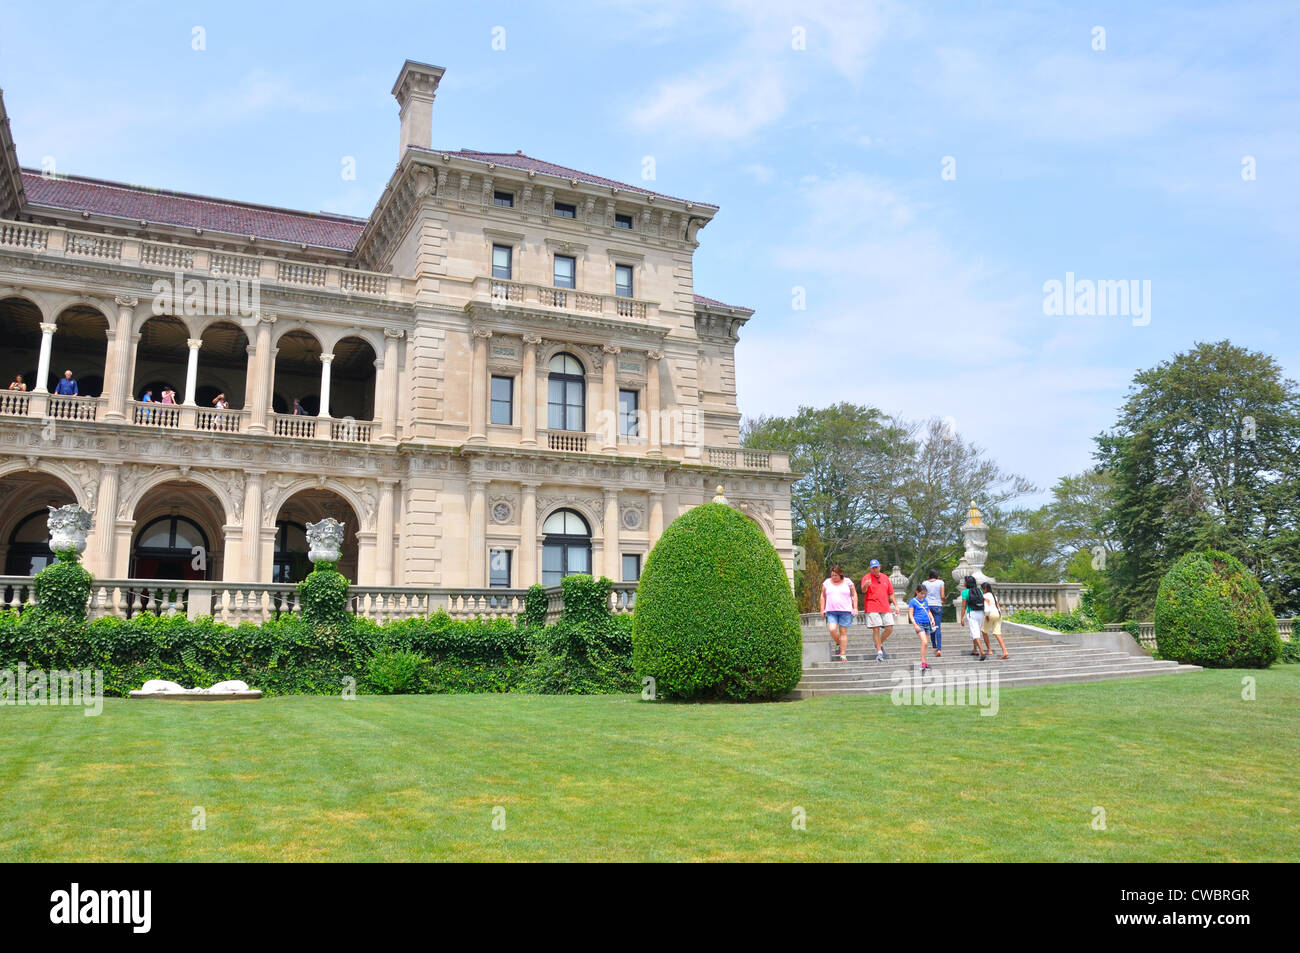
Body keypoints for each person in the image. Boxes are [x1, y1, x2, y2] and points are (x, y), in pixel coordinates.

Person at [861, 559, 897, 662]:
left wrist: (896, 605)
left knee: (889, 628)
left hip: (885, 606)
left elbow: (891, 593)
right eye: (873, 568)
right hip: (872, 605)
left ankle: (878, 643)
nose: (875, 569)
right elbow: (863, 590)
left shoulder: (885, 577)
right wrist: (866, 585)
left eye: (876, 567)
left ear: (879, 567)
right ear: (870, 568)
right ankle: (879, 651)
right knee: (876, 628)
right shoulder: (866, 577)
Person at [819, 565, 857, 663]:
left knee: (843, 632)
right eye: (832, 575)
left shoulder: (848, 582)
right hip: (831, 611)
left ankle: (843, 654)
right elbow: (822, 596)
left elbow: (854, 594)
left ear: (840, 575)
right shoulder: (827, 582)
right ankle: (838, 643)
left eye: (835, 575)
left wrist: (855, 607)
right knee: (832, 629)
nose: (833, 577)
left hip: (845, 611)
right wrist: (822, 609)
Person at [957, 574, 987, 660]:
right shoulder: (979, 591)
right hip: (980, 613)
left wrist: (961, 618)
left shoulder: (965, 592)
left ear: (967, 583)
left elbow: (963, 606)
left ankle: (982, 651)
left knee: (975, 633)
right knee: (976, 631)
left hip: (972, 613)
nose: (964, 582)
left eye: (965, 581)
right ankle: (975, 649)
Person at [907, 584, 935, 672]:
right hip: (919, 623)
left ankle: (924, 662)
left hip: (927, 623)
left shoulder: (925, 600)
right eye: (921, 593)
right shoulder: (913, 601)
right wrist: (915, 625)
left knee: (926, 644)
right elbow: (910, 614)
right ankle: (923, 663)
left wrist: (932, 618)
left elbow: (928, 611)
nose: (923, 595)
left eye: (924, 593)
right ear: (917, 592)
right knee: (924, 642)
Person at [980, 582, 1009, 659]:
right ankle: (1005, 651)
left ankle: (989, 650)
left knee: (984, 631)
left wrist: (986, 615)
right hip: (998, 614)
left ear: (985, 589)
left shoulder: (984, 596)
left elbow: (986, 606)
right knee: (997, 633)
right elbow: (998, 605)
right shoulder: (994, 596)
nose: (981, 590)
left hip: (990, 614)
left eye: (982, 589)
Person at [922, 569, 945, 657]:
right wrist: (943, 600)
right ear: (937, 575)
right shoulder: (940, 582)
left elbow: (923, 594)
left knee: (930, 626)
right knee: (937, 627)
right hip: (937, 605)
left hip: (927, 606)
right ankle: (939, 649)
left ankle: (934, 646)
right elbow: (942, 595)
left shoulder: (925, 583)